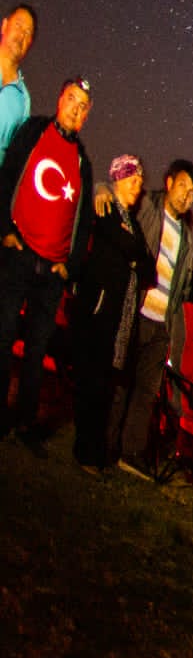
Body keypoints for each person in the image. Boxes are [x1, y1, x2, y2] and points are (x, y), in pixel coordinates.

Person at [0, 76, 93, 444]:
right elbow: (7, 176)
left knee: (37, 351)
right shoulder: (34, 131)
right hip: (19, 255)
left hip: (52, 272)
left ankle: (24, 421)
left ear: (87, 115)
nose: (76, 108)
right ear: (59, 99)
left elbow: (83, 220)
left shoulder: (83, 160)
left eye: (83, 105)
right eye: (71, 98)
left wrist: (70, 266)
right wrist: (4, 228)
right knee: (4, 336)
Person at [115, 157, 193, 469]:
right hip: (135, 309)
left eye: (192, 192)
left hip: (161, 322)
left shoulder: (186, 236)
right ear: (168, 183)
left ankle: (131, 451)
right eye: (181, 187)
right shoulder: (147, 206)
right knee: (121, 381)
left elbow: (182, 285)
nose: (185, 196)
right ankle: (108, 443)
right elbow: (115, 197)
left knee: (146, 392)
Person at [68, 154, 151, 472]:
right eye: (133, 181)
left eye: (141, 183)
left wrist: (132, 251)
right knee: (91, 383)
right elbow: (125, 245)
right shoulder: (104, 206)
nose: (138, 187)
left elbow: (145, 262)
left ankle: (94, 449)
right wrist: (131, 251)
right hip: (99, 307)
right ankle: (85, 452)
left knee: (103, 387)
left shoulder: (131, 222)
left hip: (119, 316)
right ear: (118, 179)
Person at [0, 4, 35, 150]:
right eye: (18, 25)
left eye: (27, 32)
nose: (21, 35)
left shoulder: (24, 100)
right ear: (4, 26)